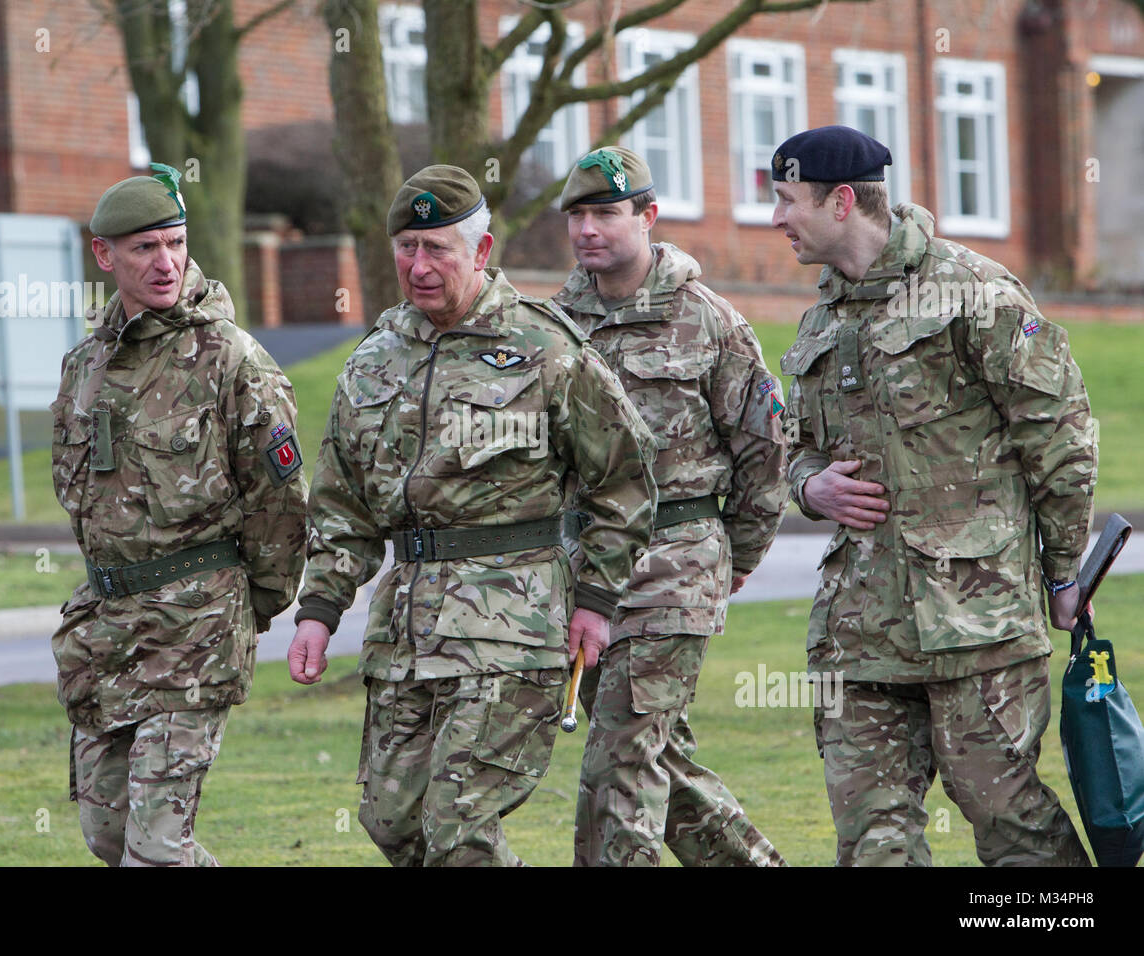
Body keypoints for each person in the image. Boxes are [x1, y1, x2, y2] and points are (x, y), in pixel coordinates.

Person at [287, 164, 657, 866]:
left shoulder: (544, 350)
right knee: (394, 822)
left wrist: (597, 598)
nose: (418, 267)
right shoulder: (372, 360)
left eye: (437, 250)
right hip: (406, 637)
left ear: (481, 253)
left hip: (511, 631)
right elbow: (342, 505)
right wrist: (320, 609)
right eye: (406, 249)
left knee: (459, 827)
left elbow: (625, 482)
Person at [772, 125, 1096, 866]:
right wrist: (810, 486)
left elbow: (1060, 437)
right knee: (871, 838)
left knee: (1007, 819)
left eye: (788, 200)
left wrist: (1065, 571)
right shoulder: (822, 315)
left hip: (974, 623)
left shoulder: (973, 292)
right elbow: (800, 448)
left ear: (842, 201)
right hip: (859, 633)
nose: (777, 218)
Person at [50, 165, 308, 866]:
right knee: (109, 838)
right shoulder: (85, 367)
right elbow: (78, 496)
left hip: (195, 627)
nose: (166, 262)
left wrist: (249, 604)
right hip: (108, 635)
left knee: (156, 850)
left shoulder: (231, 360)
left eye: (176, 243)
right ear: (105, 255)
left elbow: (281, 504)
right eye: (144, 248)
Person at [553, 146, 789, 867]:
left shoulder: (709, 322)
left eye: (605, 212)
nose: (588, 229)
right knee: (656, 756)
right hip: (588, 573)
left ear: (648, 217)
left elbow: (764, 452)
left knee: (619, 761)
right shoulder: (556, 325)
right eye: (577, 215)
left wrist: (732, 559)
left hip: (677, 563)